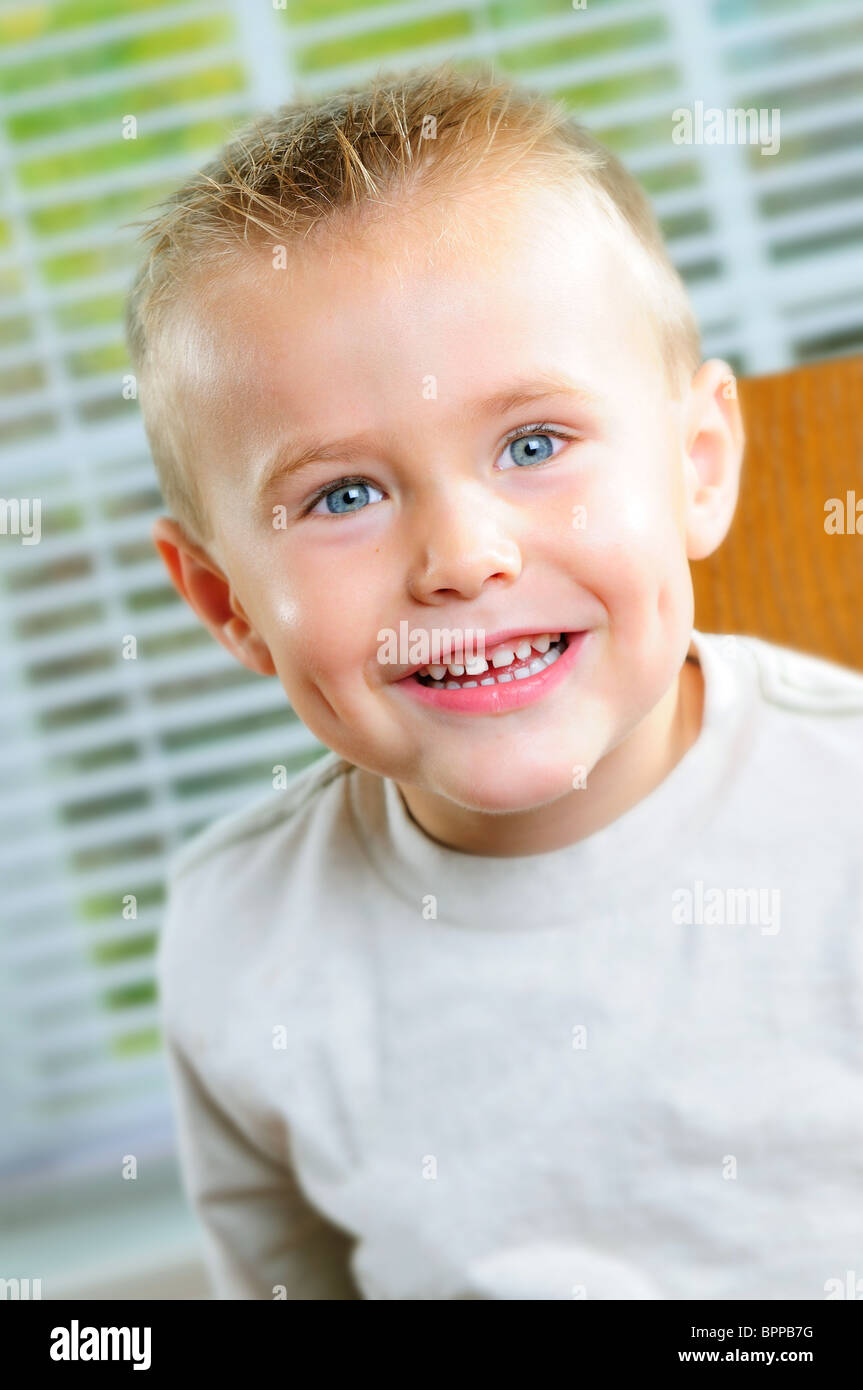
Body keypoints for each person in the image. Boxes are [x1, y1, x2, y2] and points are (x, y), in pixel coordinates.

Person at [124, 61, 863, 1300]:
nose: (463, 558)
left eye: (532, 444)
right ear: (223, 602)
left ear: (694, 467)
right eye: (341, 495)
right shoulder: (234, 940)